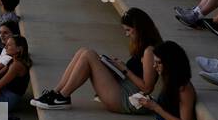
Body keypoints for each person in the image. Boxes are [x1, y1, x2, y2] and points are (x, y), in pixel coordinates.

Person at [28, 40, 195, 120]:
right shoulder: (170, 82)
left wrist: (155, 107)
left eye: (158, 63)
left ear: (171, 63)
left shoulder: (184, 89)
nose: (154, 66)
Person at [32, 8, 163, 113]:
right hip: (123, 87)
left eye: (129, 30)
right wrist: (115, 67)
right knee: (83, 51)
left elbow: (147, 88)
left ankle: (62, 97)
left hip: (130, 99)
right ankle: (57, 93)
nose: (127, 34)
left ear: (139, 29)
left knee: (89, 55)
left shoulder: (149, 51)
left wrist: (124, 68)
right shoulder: (143, 47)